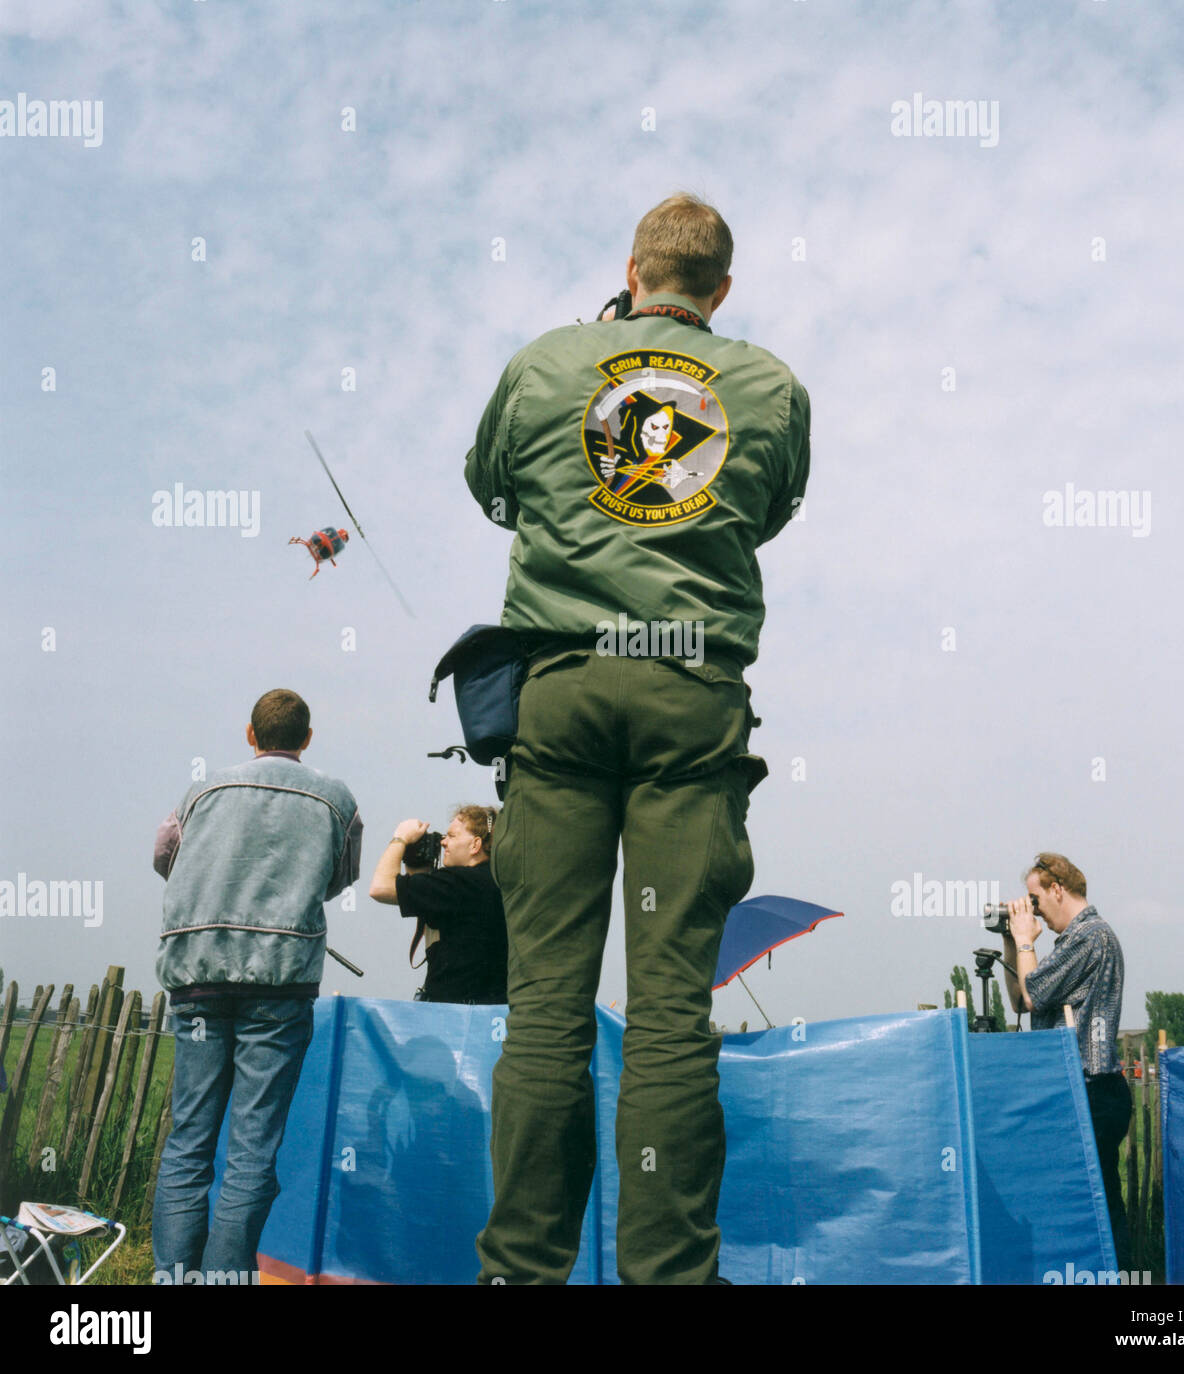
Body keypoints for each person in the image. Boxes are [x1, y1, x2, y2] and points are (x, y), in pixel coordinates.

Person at [466, 193, 810, 1284]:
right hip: (689, 696)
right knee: (669, 1017)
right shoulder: (767, 386)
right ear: (720, 289)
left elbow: (491, 488)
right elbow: (765, 507)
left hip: (560, 691)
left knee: (545, 1014)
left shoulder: (545, 361)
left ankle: (520, 1271)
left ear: (631, 269)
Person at [151, 689, 361, 1284]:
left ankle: (172, 1277)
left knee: (188, 1140)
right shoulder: (336, 798)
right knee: (250, 1150)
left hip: (197, 974)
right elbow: (336, 876)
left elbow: (166, 853)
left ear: (250, 734)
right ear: (307, 738)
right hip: (280, 979)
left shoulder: (203, 790)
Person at [1001, 852, 1132, 1268]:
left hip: (1092, 1088)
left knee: (1098, 1203)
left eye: (1034, 898)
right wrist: (1011, 942)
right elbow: (1023, 1001)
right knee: (1089, 1200)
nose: (1033, 908)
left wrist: (1025, 941)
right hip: (1083, 1089)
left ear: (1057, 889)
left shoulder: (1090, 936)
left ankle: (1118, 1275)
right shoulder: (1077, 940)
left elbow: (1034, 992)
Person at [368, 805, 507, 1004]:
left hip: (454, 1016)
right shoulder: (491, 881)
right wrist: (418, 865)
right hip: (486, 1010)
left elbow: (380, 888)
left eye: (451, 836)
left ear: (475, 845)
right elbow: (429, 905)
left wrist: (400, 838)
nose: (443, 842)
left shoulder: (462, 882)